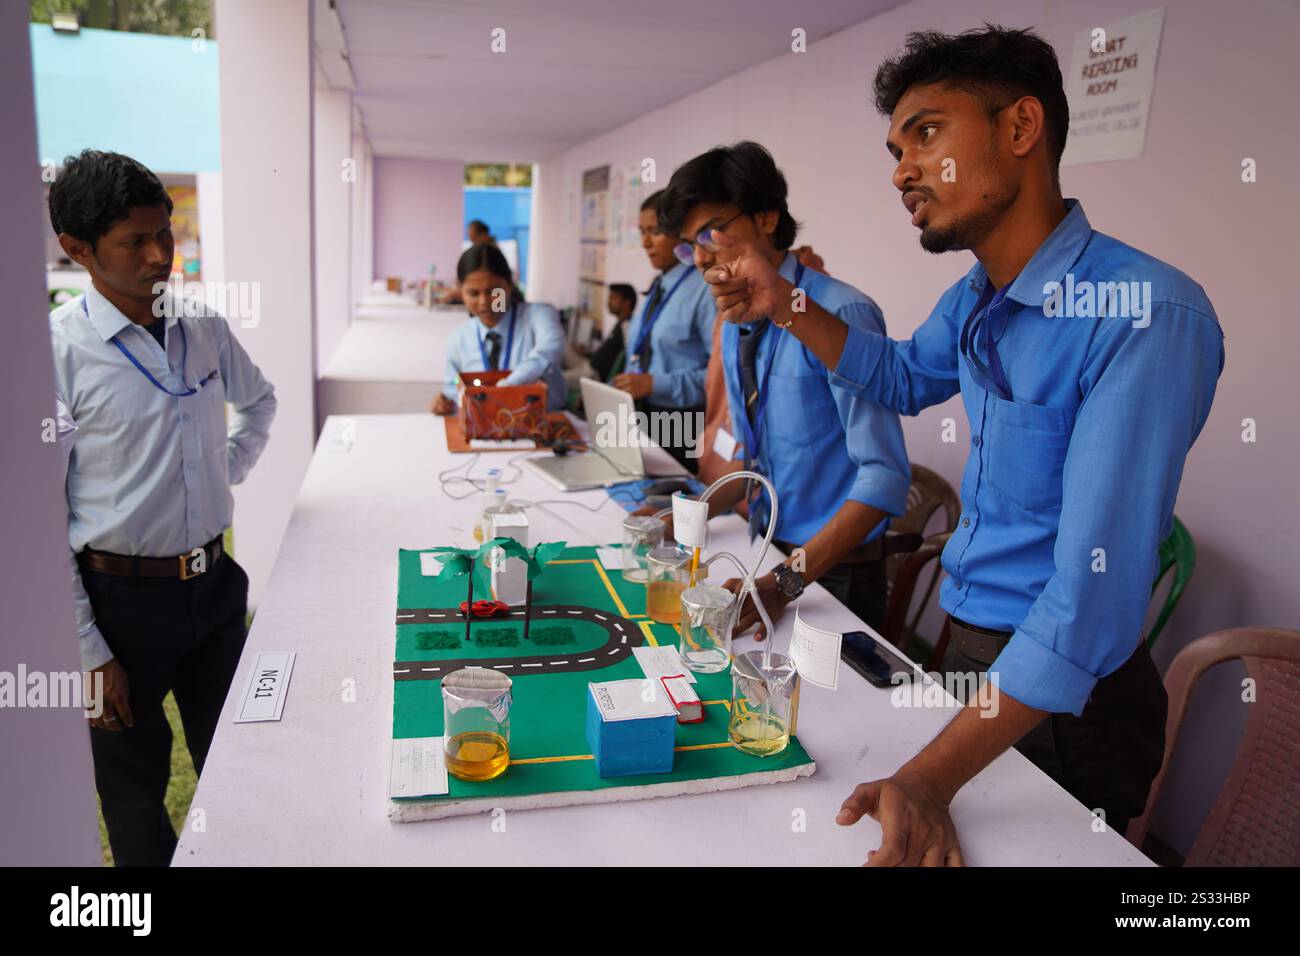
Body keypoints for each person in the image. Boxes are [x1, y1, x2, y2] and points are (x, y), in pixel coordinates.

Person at [703, 27, 1224, 865]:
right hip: (971, 649)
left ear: (1022, 130)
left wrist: (931, 778)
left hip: (1068, 702)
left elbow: (1087, 607)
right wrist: (785, 301)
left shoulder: (1142, 313)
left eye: (927, 133)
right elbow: (903, 376)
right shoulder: (981, 293)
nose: (902, 170)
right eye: (895, 148)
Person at [47, 149, 277, 866]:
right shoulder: (55, 356)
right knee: (135, 795)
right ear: (78, 250)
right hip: (117, 604)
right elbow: (34, 522)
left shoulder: (200, 326)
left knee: (242, 768)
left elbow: (260, 403)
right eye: (135, 242)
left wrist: (221, 475)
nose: (159, 257)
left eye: (165, 234)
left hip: (212, 591)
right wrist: (88, 651)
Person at [656, 141, 911, 636]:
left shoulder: (843, 313)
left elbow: (884, 477)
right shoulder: (734, 318)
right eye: (691, 245)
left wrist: (787, 581)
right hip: (766, 548)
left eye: (714, 230)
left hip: (834, 568)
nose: (704, 256)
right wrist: (692, 508)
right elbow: (749, 447)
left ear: (768, 218)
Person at [611, 190, 715, 472]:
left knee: (673, 500)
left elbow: (721, 376)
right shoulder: (660, 284)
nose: (645, 243)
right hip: (645, 413)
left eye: (655, 231)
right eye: (642, 232)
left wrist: (655, 383)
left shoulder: (705, 290)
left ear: (681, 233)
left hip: (683, 422)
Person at [432, 243, 566, 414]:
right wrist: (446, 403)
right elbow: (453, 389)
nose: (483, 302)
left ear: (509, 285)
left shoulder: (539, 315)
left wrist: (508, 385)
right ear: (461, 291)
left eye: (493, 291)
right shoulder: (459, 339)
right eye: (473, 293)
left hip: (544, 423)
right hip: (484, 428)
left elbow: (550, 350)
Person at [588, 283, 637, 383]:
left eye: (613, 298)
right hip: (590, 366)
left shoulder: (626, 325)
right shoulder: (620, 323)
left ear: (627, 302)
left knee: (560, 377)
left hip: (596, 376)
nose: (609, 302)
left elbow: (629, 356)